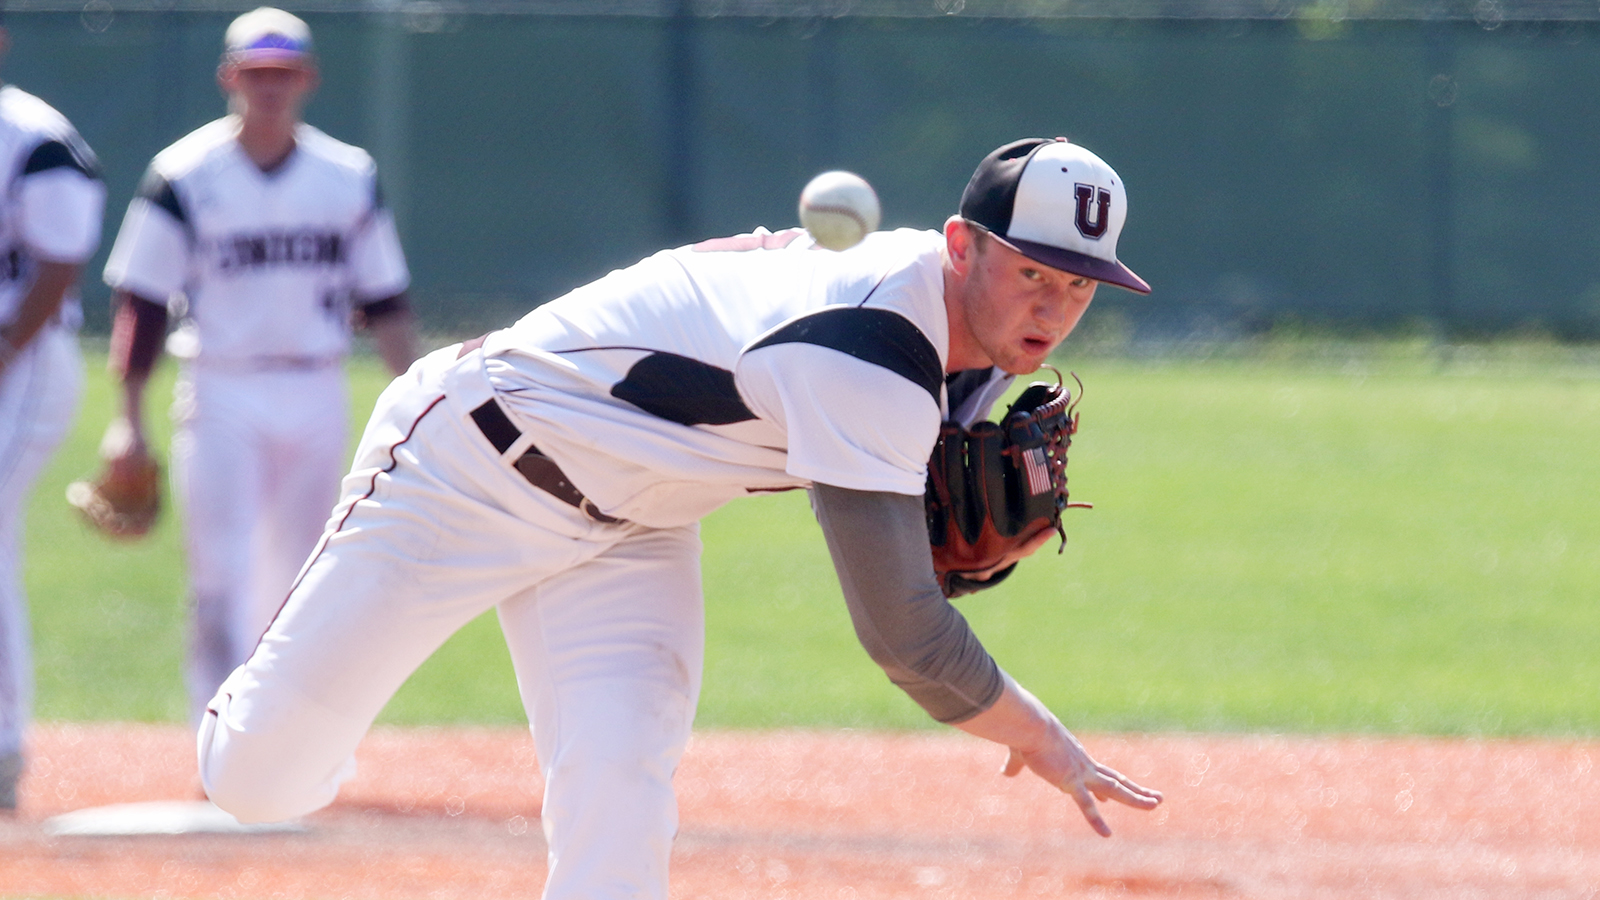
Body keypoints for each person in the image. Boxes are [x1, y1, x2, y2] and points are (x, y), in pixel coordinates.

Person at [198, 137, 1164, 897]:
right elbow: (904, 635)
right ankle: (288, 689)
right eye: (1031, 272)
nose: (1052, 306)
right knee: (258, 781)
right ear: (961, 246)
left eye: (1078, 285)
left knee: (620, 807)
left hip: (635, 528)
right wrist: (1034, 733)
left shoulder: (960, 336)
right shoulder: (871, 344)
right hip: (469, 466)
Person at [99, 7, 418, 725]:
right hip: (222, 385)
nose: (269, 88)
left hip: (315, 383)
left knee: (304, 575)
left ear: (307, 79)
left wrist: (415, 401)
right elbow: (142, 301)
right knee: (219, 573)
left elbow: (388, 298)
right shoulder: (184, 173)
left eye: (282, 74)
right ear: (229, 78)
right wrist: (127, 422)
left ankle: (286, 736)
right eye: (255, 74)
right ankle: (213, 733)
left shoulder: (347, 175)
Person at [0, 24, 106, 811]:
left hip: (24, 359)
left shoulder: (33, 136)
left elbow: (61, 260)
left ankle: (2, 748)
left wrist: (5, 348)